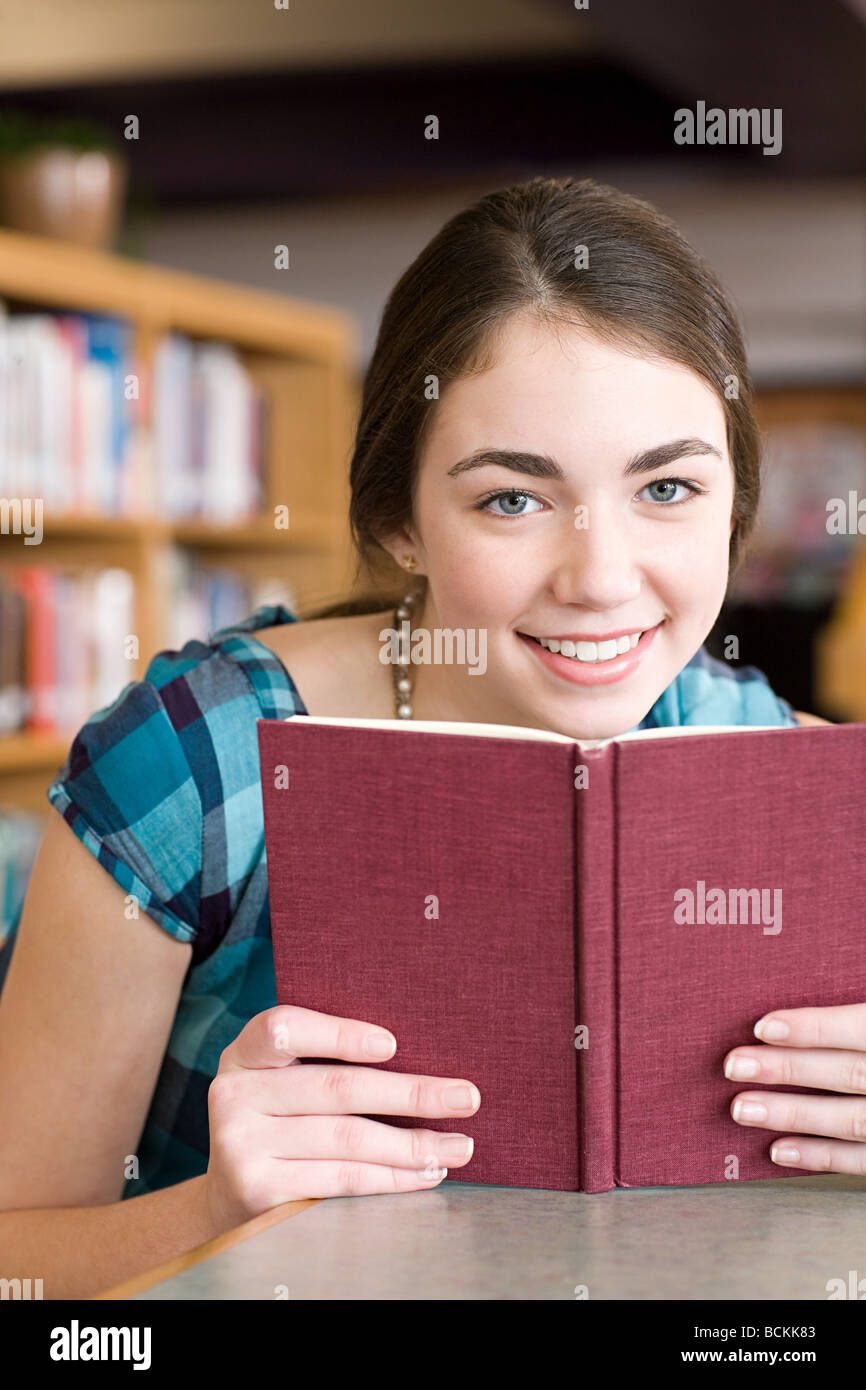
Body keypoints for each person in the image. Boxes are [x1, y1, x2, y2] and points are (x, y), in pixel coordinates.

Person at [0, 176, 856, 1302]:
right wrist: (212, 1214)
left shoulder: (791, 775)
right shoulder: (190, 767)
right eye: (511, 499)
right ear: (399, 521)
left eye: (666, 486)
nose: (599, 579)